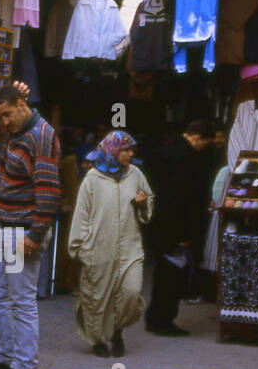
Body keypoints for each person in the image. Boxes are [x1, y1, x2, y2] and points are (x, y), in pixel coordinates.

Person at [0, 86, 61, 369]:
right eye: (1, 117)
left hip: (24, 230)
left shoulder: (41, 135)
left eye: (7, 114)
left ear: (23, 104)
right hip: (9, 226)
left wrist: (36, 234)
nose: (4, 122)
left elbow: (49, 190)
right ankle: (6, 356)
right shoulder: (17, 130)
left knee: (22, 301)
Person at [68, 132, 155, 356]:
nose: (130, 154)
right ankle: (97, 340)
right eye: (125, 150)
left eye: (131, 150)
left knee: (131, 292)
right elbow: (82, 214)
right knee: (97, 297)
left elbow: (148, 197)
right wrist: (80, 246)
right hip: (98, 247)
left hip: (130, 246)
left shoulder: (135, 174)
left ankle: (118, 329)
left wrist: (142, 204)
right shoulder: (92, 178)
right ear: (112, 151)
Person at [145, 120, 212, 335]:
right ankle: (164, 320)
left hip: (163, 225)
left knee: (163, 274)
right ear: (197, 137)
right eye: (206, 143)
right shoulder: (186, 158)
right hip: (176, 228)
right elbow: (182, 198)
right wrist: (184, 234)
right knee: (172, 276)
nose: (205, 148)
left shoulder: (168, 151)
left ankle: (155, 318)